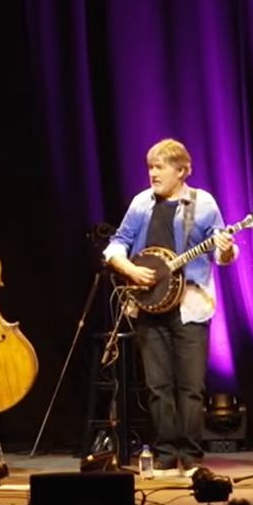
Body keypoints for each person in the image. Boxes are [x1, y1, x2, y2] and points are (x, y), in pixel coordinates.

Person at [103, 138, 237, 477]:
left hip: (190, 306)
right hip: (149, 306)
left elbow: (224, 255)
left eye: (159, 167)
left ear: (181, 170)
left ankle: (191, 457)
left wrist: (224, 247)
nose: (152, 173)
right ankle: (165, 453)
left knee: (190, 387)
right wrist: (130, 269)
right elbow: (117, 243)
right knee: (158, 386)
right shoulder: (141, 204)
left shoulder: (203, 203)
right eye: (150, 167)